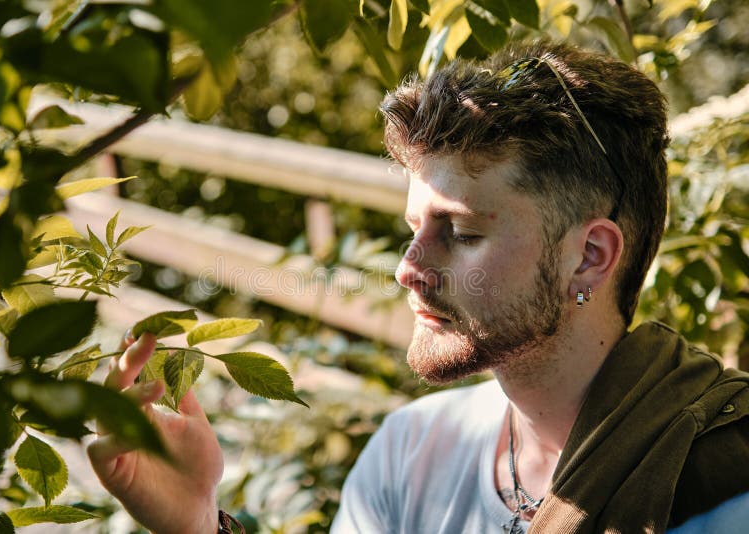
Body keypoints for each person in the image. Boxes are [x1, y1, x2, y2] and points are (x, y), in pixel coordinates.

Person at [88, 40, 749, 533]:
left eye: (459, 233)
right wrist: (196, 523)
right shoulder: (412, 450)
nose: (408, 266)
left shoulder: (721, 490)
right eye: (414, 227)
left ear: (590, 257)